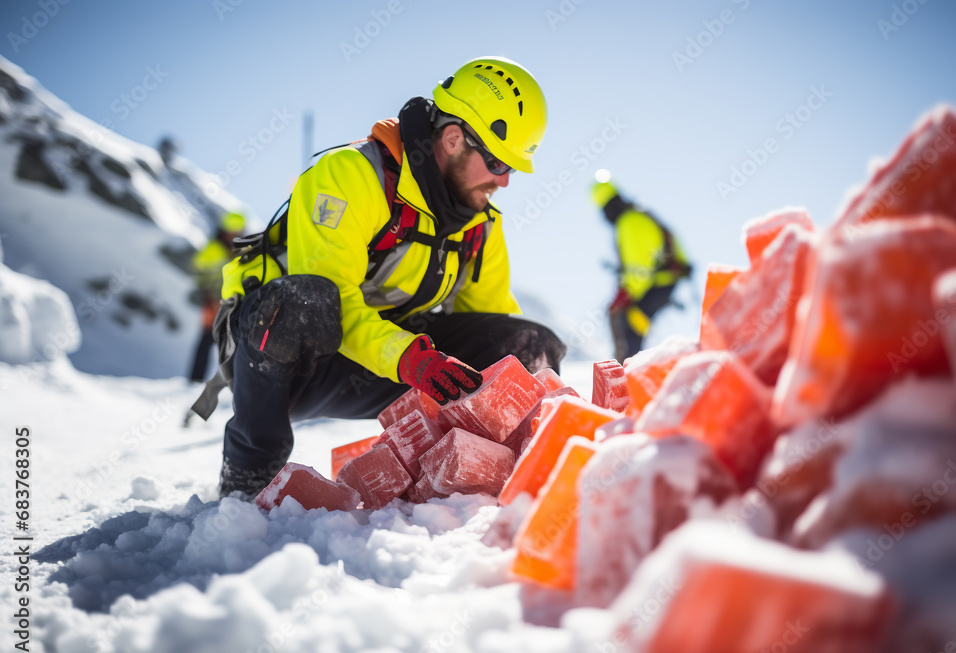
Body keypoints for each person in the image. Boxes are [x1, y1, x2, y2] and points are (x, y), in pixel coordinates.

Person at [190, 56, 566, 497]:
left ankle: (493, 472)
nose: (504, 184)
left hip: (391, 362)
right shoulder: (351, 175)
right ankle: (248, 481)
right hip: (282, 356)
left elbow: (496, 331)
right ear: (452, 139)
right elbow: (329, 299)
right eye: (498, 165)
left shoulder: (481, 225)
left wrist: (535, 391)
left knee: (525, 345)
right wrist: (408, 357)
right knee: (302, 300)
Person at [591, 170, 692, 363]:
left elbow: (639, 269)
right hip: (664, 281)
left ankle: (630, 376)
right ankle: (631, 372)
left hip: (657, 284)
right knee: (631, 323)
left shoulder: (629, 223)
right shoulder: (637, 215)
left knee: (628, 323)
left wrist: (626, 294)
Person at [187, 211, 246, 385]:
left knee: (230, 342)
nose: (236, 235)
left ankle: (231, 381)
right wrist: (205, 292)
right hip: (213, 302)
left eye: (238, 232)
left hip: (231, 302)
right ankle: (196, 379)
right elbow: (199, 272)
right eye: (233, 232)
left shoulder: (238, 249)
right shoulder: (214, 250)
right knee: (207, 339)